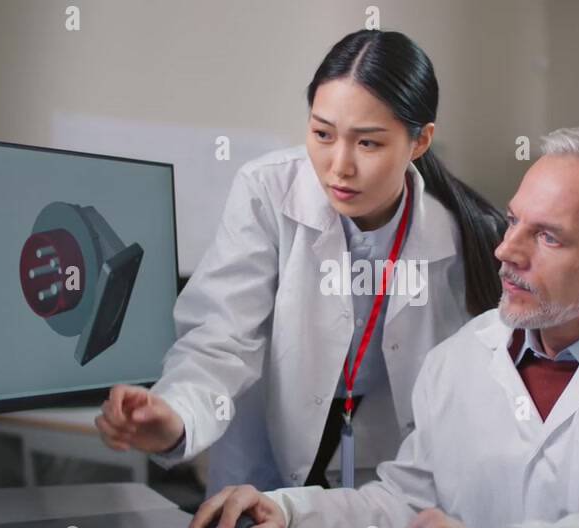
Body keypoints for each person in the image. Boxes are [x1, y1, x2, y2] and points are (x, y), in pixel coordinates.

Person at [180, 128, 579, 528]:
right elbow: (408, 504)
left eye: (547, 237)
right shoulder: (462, 357)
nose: (505, 250)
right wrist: (290, 511)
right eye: (515, 220)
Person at [94, 30, 506, 494]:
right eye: (322, 134)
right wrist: (178, 415)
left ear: (420, 141)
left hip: (388, 461)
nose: (339, 166)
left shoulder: (460, 233)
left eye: (368, 144)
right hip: (269, 451)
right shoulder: (267, 191)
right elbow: (222, 338)